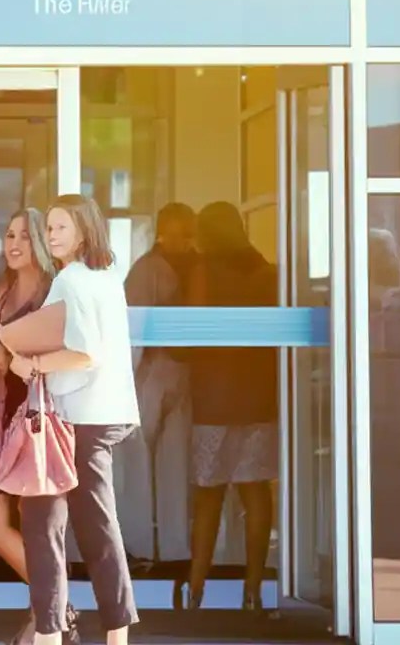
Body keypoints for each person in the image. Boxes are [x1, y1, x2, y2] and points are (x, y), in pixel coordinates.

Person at [0, 194, 141, 645]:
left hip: (71, 419)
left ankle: (50, 635)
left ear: (84, 230)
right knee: (94, 527)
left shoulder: (73, 281)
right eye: (51, 228)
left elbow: (84, 353)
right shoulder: (106, 277)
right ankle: (114, 635)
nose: (52, 235)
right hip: (101, 415)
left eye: (60, 227)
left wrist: (30, 365)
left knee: (45, 528)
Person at [0, 208, 79, 644]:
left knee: (37, 530)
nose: (14, 243)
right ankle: (58, 607)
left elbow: (49, 367)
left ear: (41, 244)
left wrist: (1, 355)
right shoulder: (4, 290)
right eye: (9, 235)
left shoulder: (52, 295)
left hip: (33, 422)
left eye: (25, 236)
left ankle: (45, 619)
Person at [177, 201, 279, 612]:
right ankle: (253, 590)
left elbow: (194, 328)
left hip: (215, 394)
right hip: (258, 392)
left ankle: (195, 589)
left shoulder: (203, 271)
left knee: (209, 495)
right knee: (255, 492)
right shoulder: (269, 272)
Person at [117, 202, 198, 566]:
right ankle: (136, 545)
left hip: (184, 372)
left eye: (186, 231)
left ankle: (175, 546)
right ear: (161, 232)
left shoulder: (199, 266)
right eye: (174, 231)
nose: (181, 239)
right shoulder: (146, 269)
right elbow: (130, 329)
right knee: (136, 457)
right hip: (148, 370)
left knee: (176, 460)